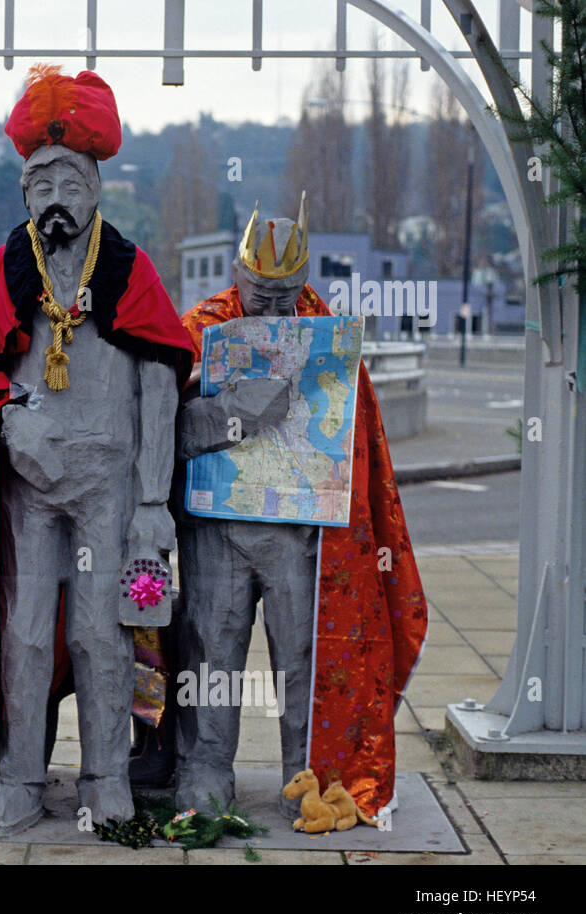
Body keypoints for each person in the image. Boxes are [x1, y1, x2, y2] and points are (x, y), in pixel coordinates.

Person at [0, 65, 197, 835]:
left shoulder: (128, 269)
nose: (54, 195)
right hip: (31, 484)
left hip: (110, 486)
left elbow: (161, 380)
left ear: (95, 185)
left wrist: (153, 500)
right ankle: (20, 778)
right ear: (24, 192)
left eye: (68, 179)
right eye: (39, 181)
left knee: (103, 630)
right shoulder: (3, 271)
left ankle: (106, 779)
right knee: (25, 631)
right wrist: (15, 425)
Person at [174, 195, 427, 819]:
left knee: (303, 654)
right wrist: (227, 413)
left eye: (286, 293)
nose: (273, 305)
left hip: (298, 531)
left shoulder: (330, 335)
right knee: (213, 644)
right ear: (238, 275)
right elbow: (160, 427)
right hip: (217, 527)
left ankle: (307, 770)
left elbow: (358, 440)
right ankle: (206, 766)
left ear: (305, 281)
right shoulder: (199, 328)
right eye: (261, 291)